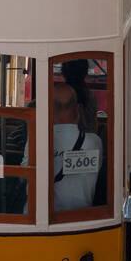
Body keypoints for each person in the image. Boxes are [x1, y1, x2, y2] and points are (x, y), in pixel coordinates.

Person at [52, 80, 102, 212]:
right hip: (80, 217)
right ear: (77, 109)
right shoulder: (94, 143)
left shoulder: (36, 140)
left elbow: (24, 179)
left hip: (37, 219)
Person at [60, 58, 98, 133]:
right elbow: (93, 128)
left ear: (63, 72)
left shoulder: (59, 96)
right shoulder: (90, 97)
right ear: (85, 72)